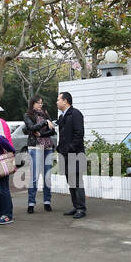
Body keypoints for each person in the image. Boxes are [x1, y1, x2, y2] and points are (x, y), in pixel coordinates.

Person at [57, 91, 86, 219]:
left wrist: (70, 148)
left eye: (58, 100)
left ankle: (81, 208)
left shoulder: (75, 114)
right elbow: (63, 136)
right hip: (65, 155)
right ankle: (75, 206)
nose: (57, 102)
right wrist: (60, 148)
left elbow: (79, 134)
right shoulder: (62, 116)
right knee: (71, 182)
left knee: (77, 182)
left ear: (65, 101)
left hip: (75, 154)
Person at [23, 97, 56, 213]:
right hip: (35, 147)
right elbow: (31, 128)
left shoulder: (46, 114)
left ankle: (47, 202)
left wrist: (41, 134)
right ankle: (31, 203)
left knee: (47, 176)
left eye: (42, 103)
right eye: (38, 103)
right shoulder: (28, 115)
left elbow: (53, 131)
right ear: (32, 103)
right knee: (34, 176)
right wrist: (45, 122)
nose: (41, 105)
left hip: (48, 147)